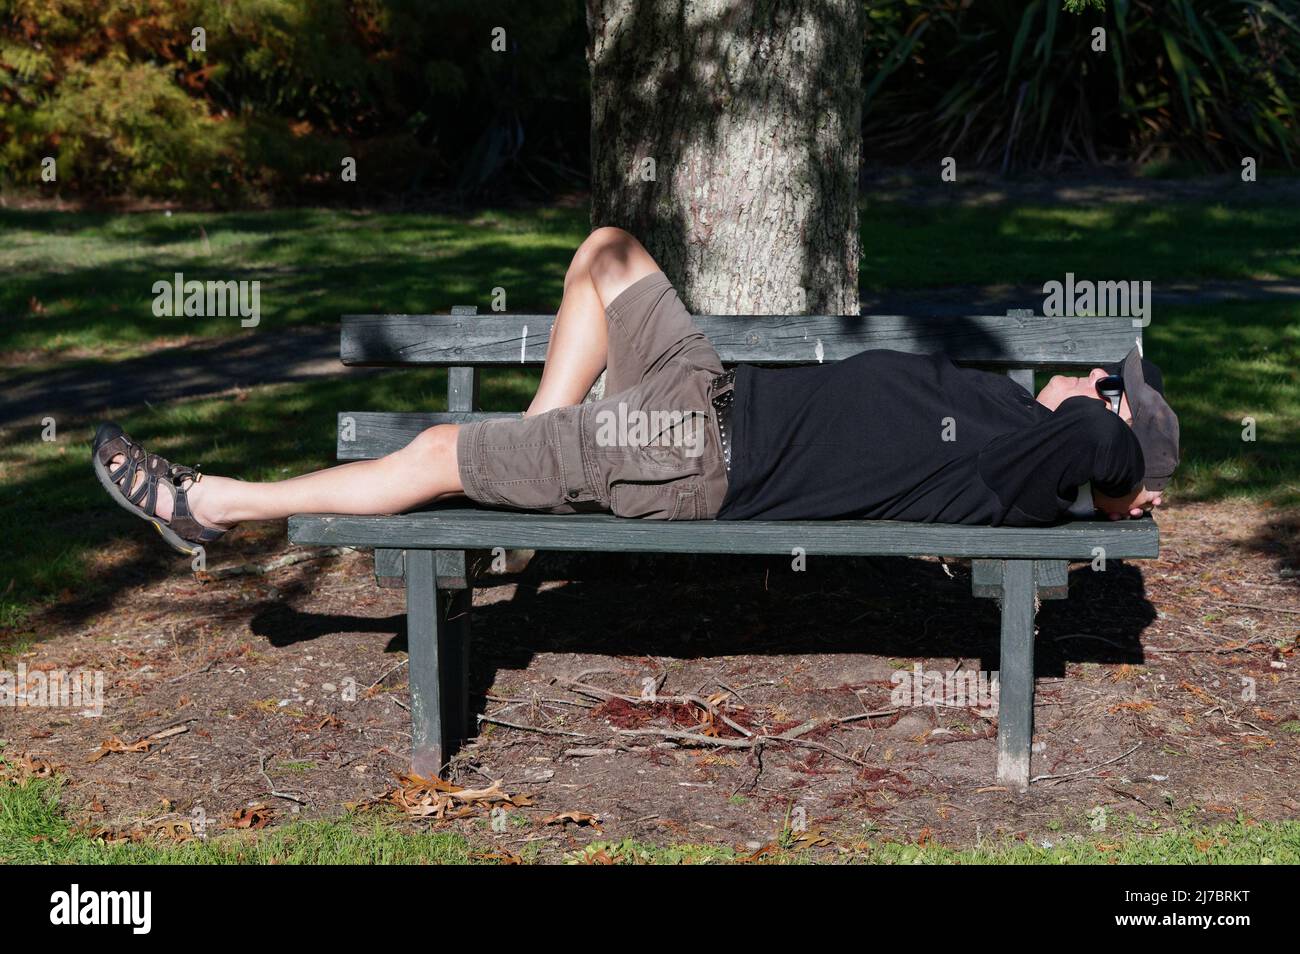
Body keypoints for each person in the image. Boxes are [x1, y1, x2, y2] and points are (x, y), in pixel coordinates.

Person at [92, 228, 1180, 555]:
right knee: (608, 252)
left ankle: (211, 506)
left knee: (430, 451)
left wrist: (1129, 480)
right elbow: (1093, 427)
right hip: (702, 394)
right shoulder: (1012, 423)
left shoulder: (1022, 463)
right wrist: (1103, 425)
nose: (1091, 379)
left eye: (1106, 389)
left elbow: (1099, 448)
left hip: (687, 452)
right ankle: (524, 461)